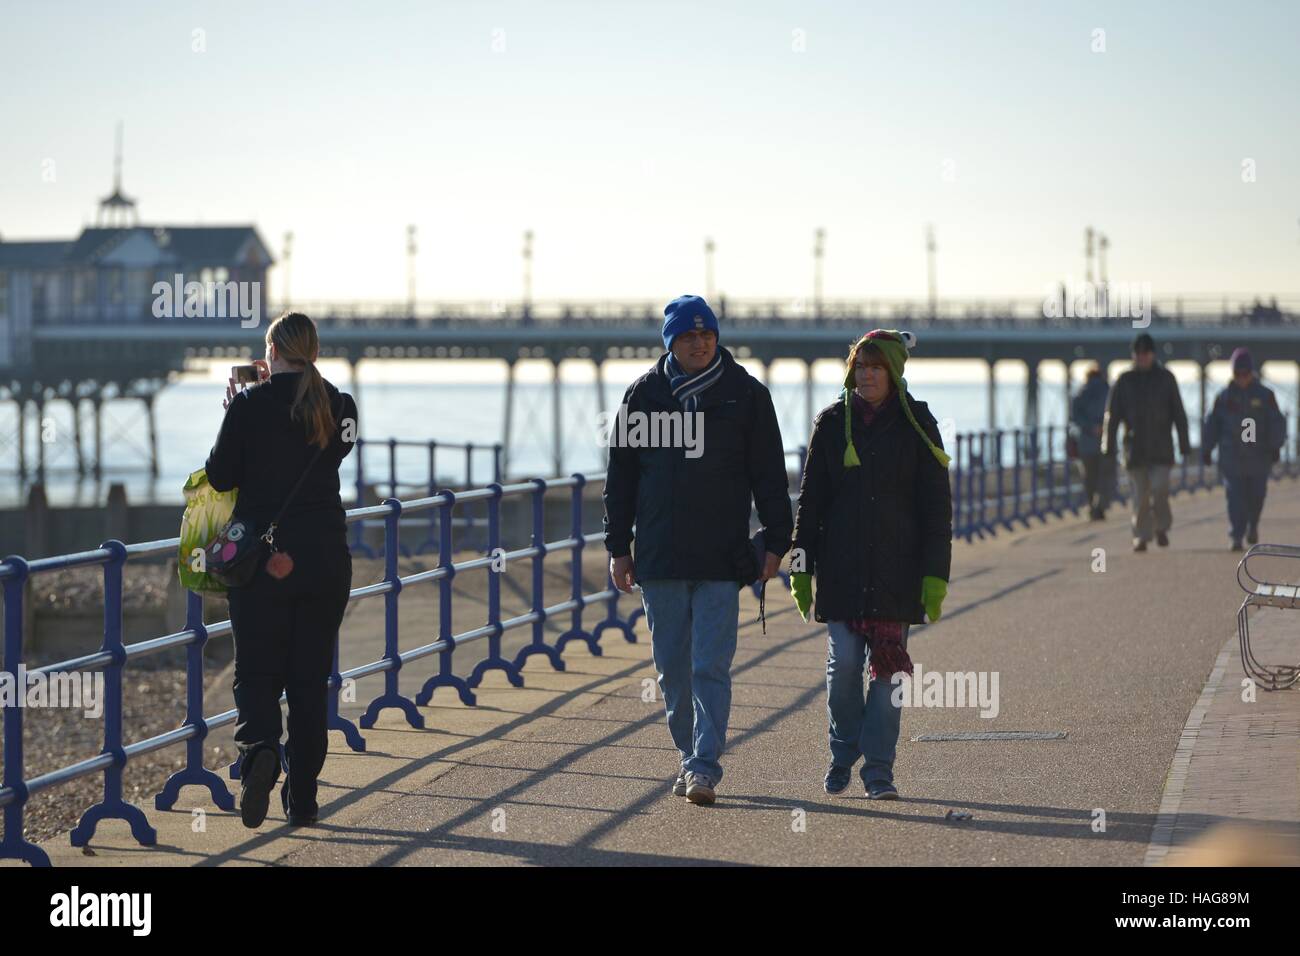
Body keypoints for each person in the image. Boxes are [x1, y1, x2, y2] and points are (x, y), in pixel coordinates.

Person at [603, 294, 792, 806]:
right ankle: (690, 756)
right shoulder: (642, 395)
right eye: (688, 335)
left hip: (721, 555)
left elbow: (770, 475)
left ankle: (704, 765)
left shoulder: (745, 395)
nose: (700, 342)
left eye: (706, 333)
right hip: (660, 557)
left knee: (710, 664)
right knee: (671, 668)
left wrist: (778, 541)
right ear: (671, 341)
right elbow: (620, 478)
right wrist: (618, 547)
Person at [205, 312, 358, 828]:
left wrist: (234, 409)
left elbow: (221, 474)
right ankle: (305, 797)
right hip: (325, 559)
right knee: (310, 680)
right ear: (313, 350)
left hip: (262, 562)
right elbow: (331, 455)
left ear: (272, 350)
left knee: (257, 671)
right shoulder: (342, 405)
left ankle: (261, 751)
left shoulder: (250, 405)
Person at [788, 330, 952, 800]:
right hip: (842, 574)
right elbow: (810, 505)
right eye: (860, 367)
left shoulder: (917, 424)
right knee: (842, 670)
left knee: (887, 680)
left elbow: (937, 509)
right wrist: (801, 564)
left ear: (893, 372)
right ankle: (843, 753)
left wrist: (935, 575)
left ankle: (879, 770)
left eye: (875, 367)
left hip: (896, 577)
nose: (866, 376)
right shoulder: (832, 423)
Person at [1102, 333, 1190, 552]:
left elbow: (1179, 413)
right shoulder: (1124, 381)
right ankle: (1141, 536)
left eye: (1145, 353)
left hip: (1162, 448)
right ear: (1133, 355)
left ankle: (1161, 527)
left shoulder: (1166, 378)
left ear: (1153, 354)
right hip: (1135, 449)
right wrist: (1108, 444)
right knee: (1140, 495)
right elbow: (1112, 416)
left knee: (1160, 489)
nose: (1142, 357)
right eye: (1138, 353)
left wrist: (1184, 443)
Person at [1202, 347, 1285, 551]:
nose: (1241, 378)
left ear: (1251, 372)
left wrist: (1276, 446)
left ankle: (1253, 525)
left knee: (1257, 496)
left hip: (1259, 458)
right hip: (1232, 457)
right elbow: (1212, 424)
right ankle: (1236, 536)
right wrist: (1206, 449)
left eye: (1245, 373)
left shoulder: (1266, 396)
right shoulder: (1223, 397)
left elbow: (1277, 422)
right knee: (1234, 497)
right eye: (1237, 373)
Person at [1070, 363, 1112, 521]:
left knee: (1089, 477)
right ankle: (1100, 505)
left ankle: (1091, 504)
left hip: (1086, 443)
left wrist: (1089, 427)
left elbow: (1075, 417)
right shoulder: (1108, 391)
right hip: (1105, 440)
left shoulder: (1081, 393)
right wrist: (1103, 427)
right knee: (1104, 475)